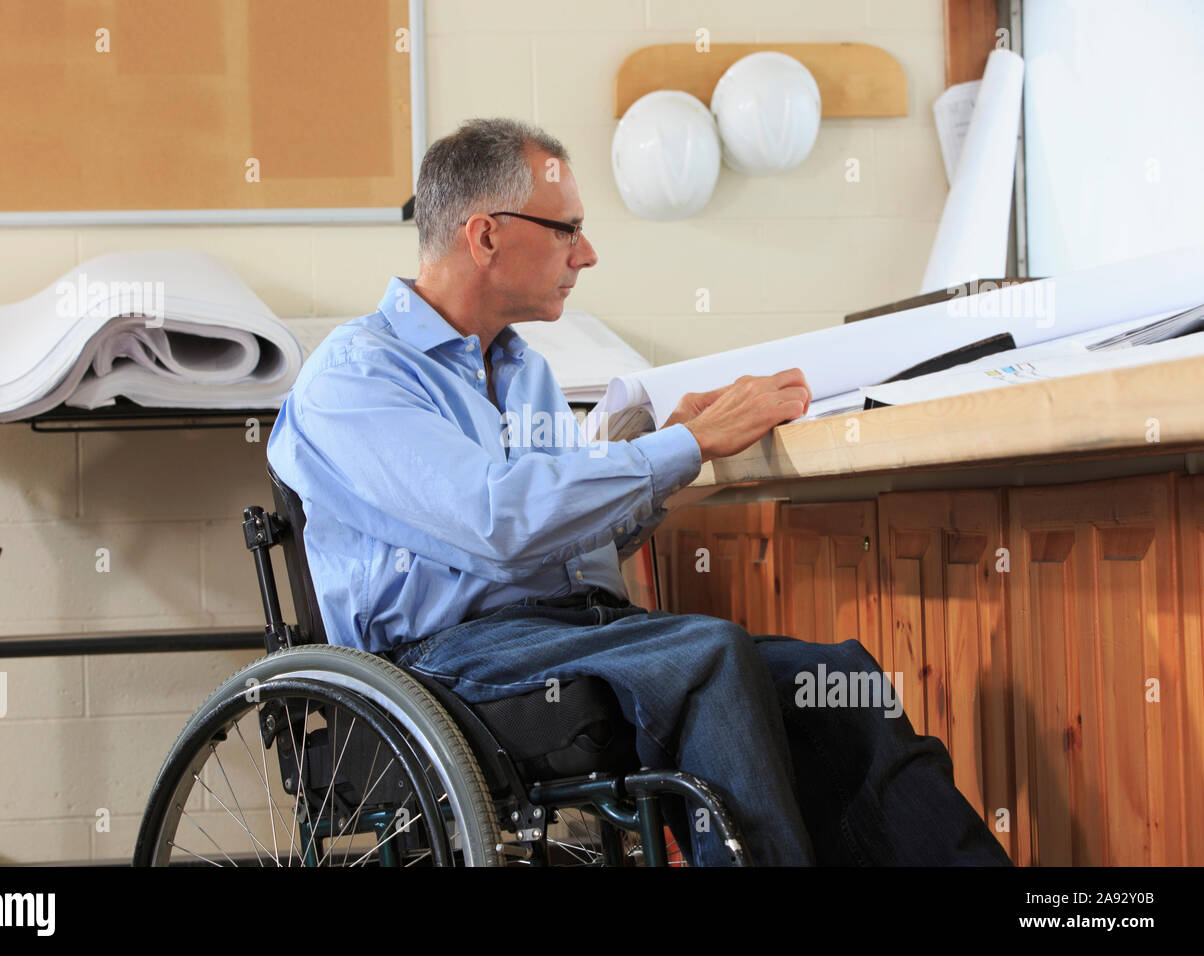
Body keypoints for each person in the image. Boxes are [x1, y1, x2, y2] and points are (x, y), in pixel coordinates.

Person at [266, 117, 1012, 866]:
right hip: (440, 663)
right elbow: (498, 521)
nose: (585, 254)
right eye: (567, 230)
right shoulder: (358, 374)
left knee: (835, 678)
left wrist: (663, 464)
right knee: (708, 656)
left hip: (573, 630)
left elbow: (556, 535)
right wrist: (684, 446)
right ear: (485, 236)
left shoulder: (521, 369)